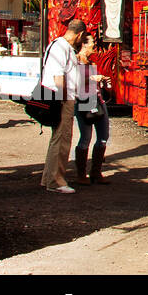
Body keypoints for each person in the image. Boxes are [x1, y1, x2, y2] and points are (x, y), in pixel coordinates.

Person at [40, 20, 86, 194]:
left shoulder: (57, 45)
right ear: (80, 34)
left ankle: (48, 178)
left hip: (59, 97)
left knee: (57, 139)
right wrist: (62, 100)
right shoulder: (62, 48)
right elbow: (59, 77)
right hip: (61, 98)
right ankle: (56, 181)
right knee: (62, 140)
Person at [72, 33, 111, 186]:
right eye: (92, 42)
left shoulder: (91, 62)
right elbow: (74, 82)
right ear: (83, 44)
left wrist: (102, 82)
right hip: (83, 101)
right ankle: (81, 175)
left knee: (103, 137)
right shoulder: (75, 62)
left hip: (97, 101)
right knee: (86, 138)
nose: (94, 44)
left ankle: (96, 172)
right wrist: (94, 78)